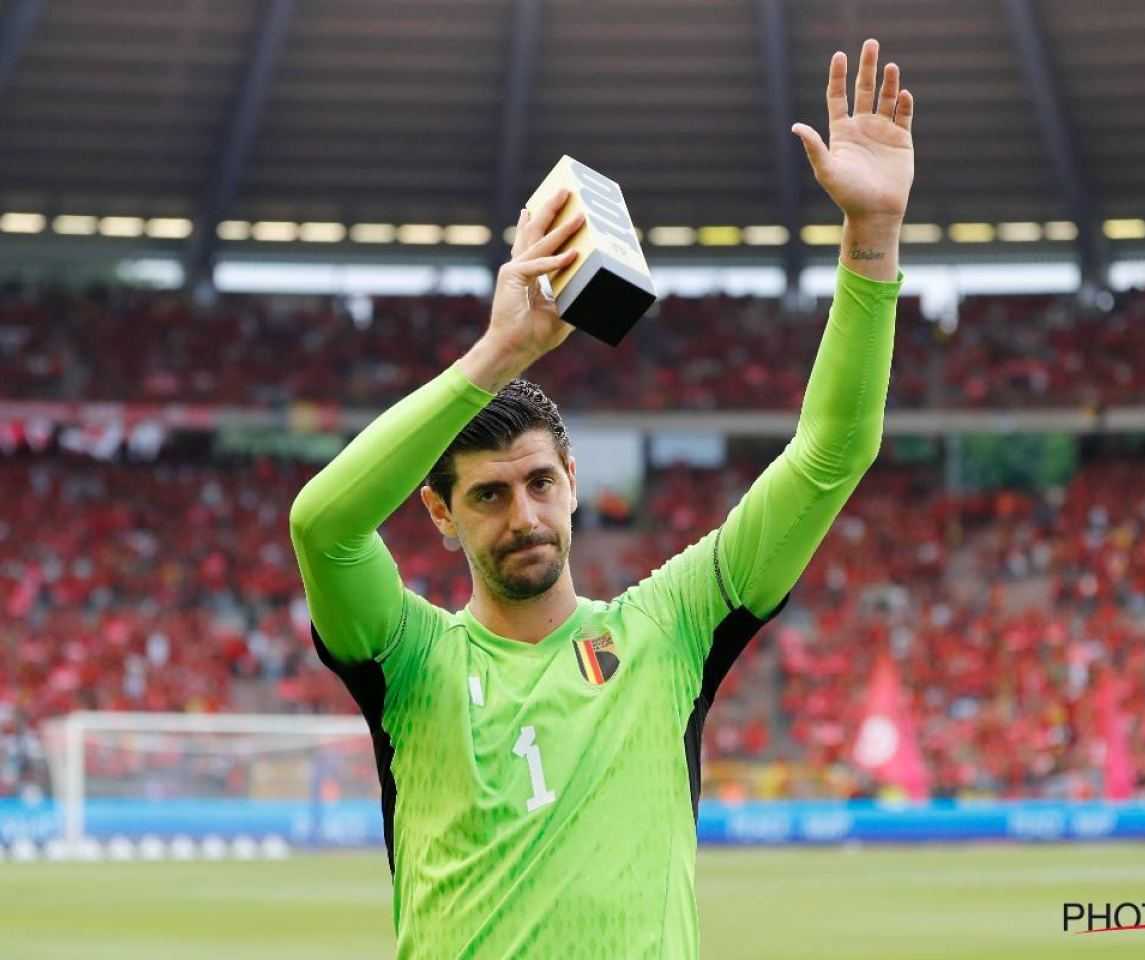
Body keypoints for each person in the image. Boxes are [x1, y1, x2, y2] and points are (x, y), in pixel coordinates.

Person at [289, 38, 914, 960]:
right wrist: (501, 352)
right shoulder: (408, 659)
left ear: (573, 482)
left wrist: (872, 236)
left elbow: (833, 452)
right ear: (439, 514)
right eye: (489, 495)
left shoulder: (672, 627)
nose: (525, 516)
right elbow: (323, 525)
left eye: (541, 482)